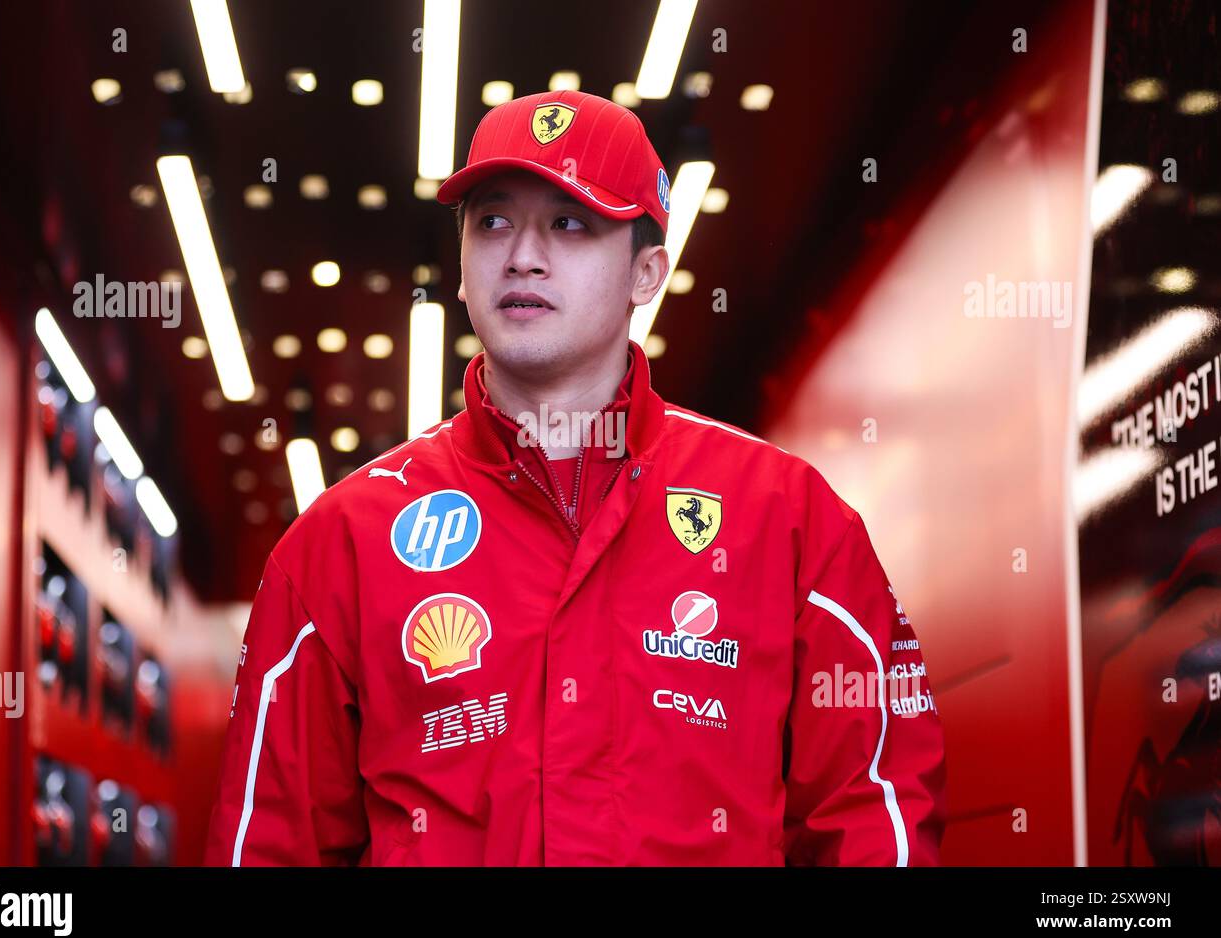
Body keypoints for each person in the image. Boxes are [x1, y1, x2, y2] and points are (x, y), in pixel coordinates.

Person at [203, 89, 947, 866]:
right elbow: (268, 843)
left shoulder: (791, 520)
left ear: (647, 272)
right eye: (492, 221)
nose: (522, 254)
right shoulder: (340, 544)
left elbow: (875, 811)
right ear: (459, 271)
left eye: (569, 222)